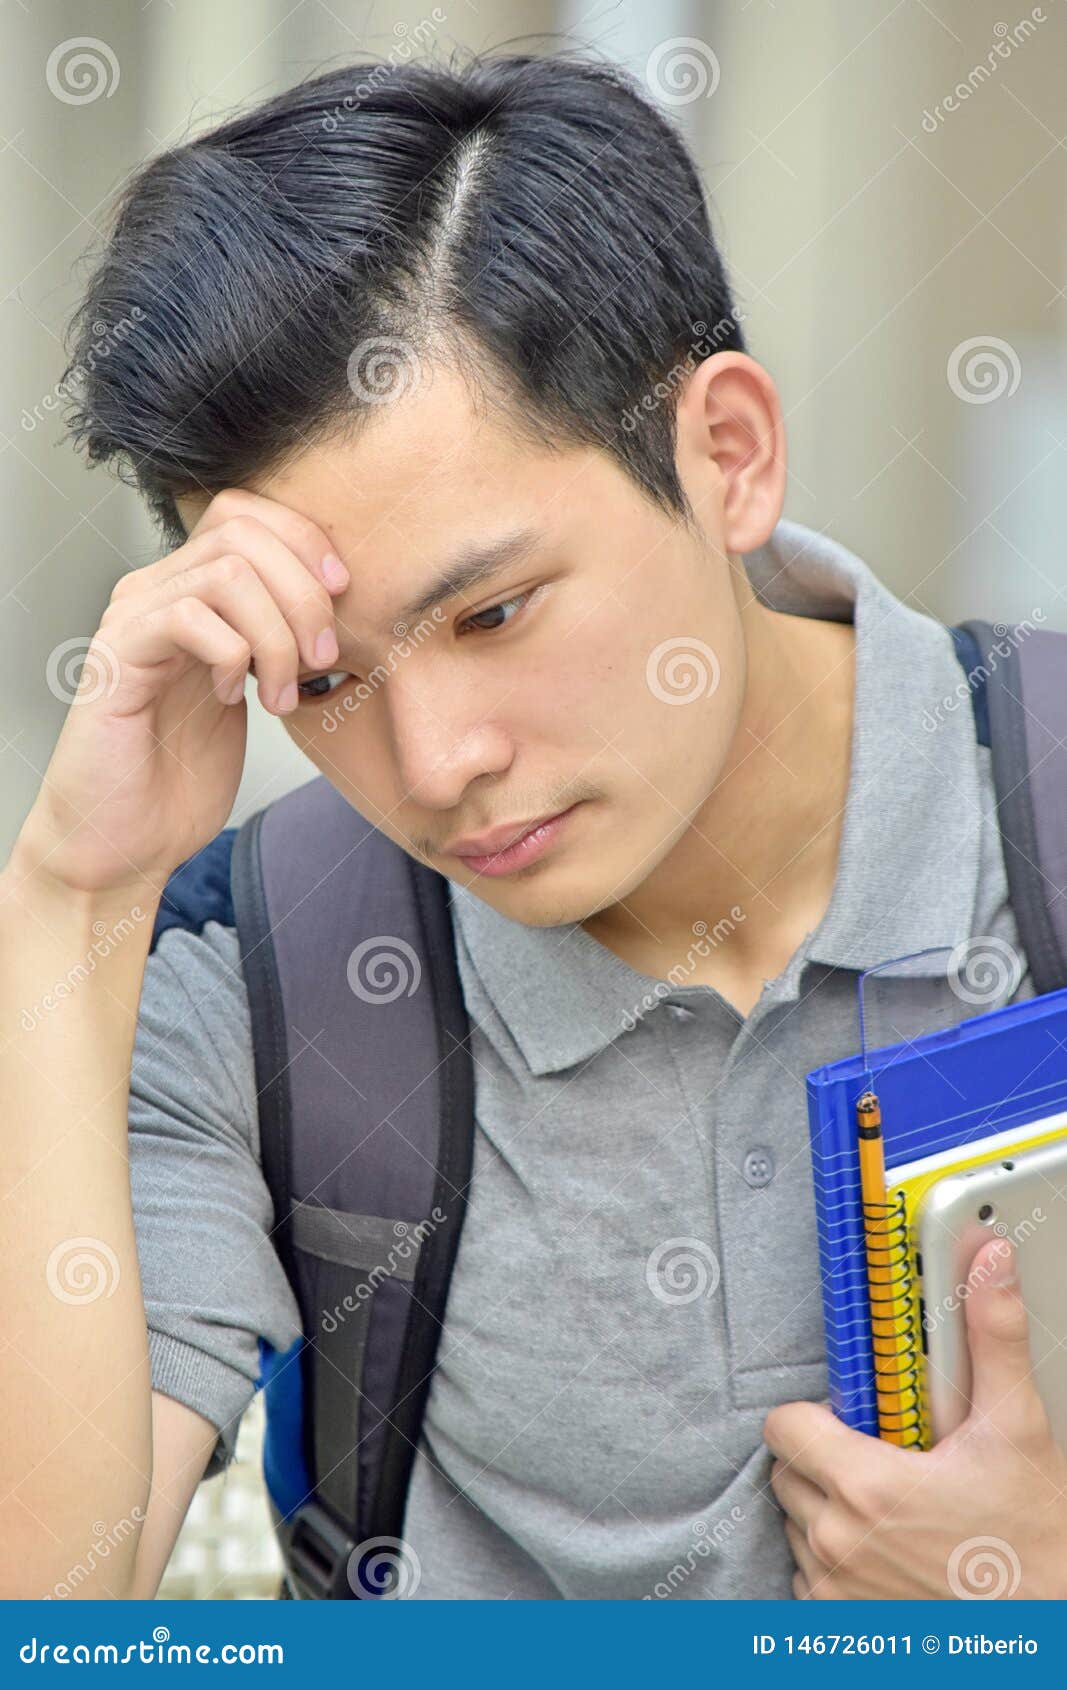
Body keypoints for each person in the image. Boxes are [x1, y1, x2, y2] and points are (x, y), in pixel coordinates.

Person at [3, 49, 1064, 1602]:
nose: (435, 764)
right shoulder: (253, 974)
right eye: (324, 675)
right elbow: (46, 1612)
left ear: (729, 455)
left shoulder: (1029, 810)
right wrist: (70, 895)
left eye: (493, 612)